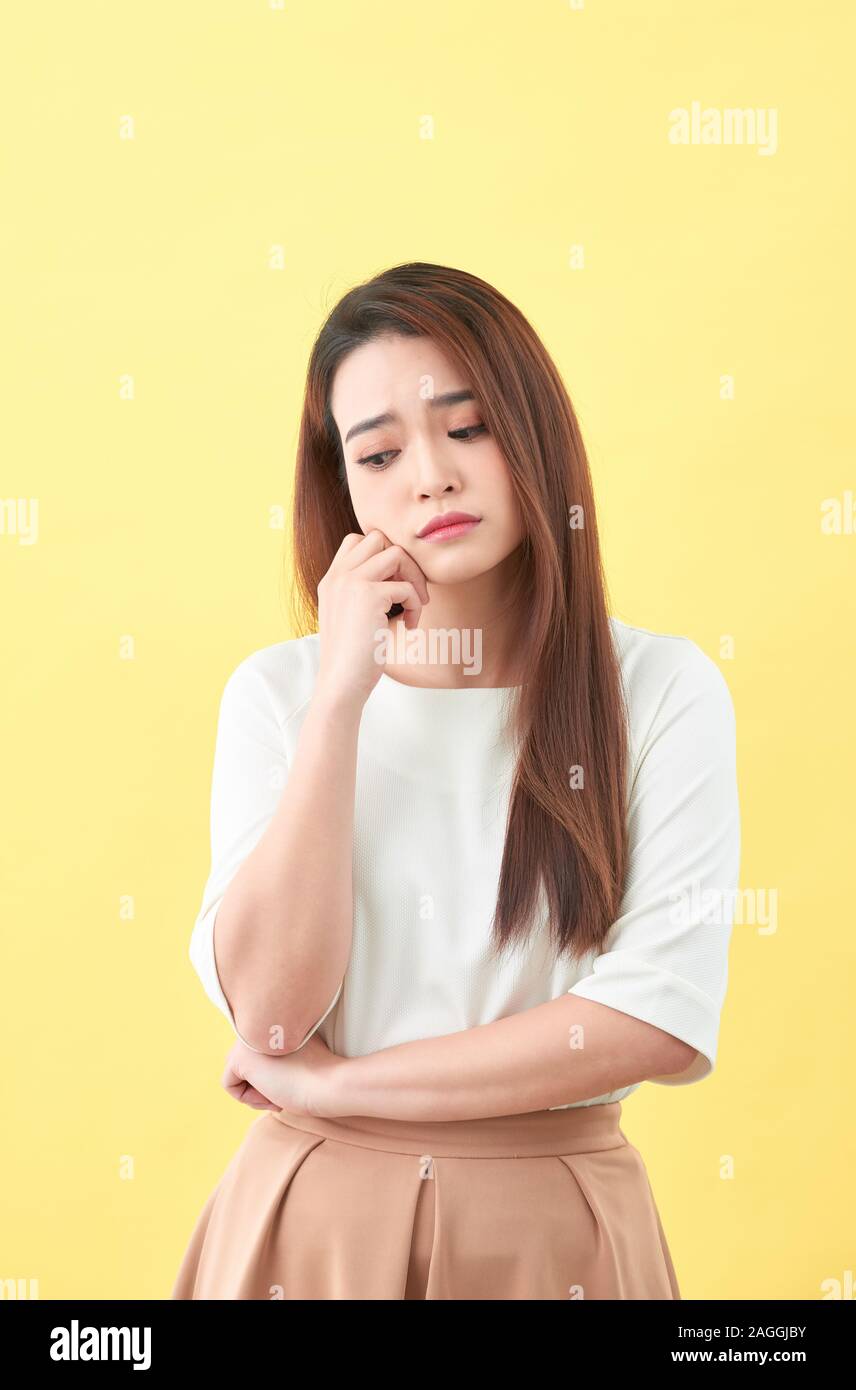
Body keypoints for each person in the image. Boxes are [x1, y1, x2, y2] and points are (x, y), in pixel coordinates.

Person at [171, 261, 741, 1300]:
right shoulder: (277, 695)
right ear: (340, 486)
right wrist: (340, 699)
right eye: (378, 452)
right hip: (311, 1226)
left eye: (466, 428)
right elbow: (269, 1017)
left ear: (534, 435)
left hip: (556, 1232)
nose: (427, 475)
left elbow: (653, 1017)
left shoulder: (661, 689)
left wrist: (345, 1084)